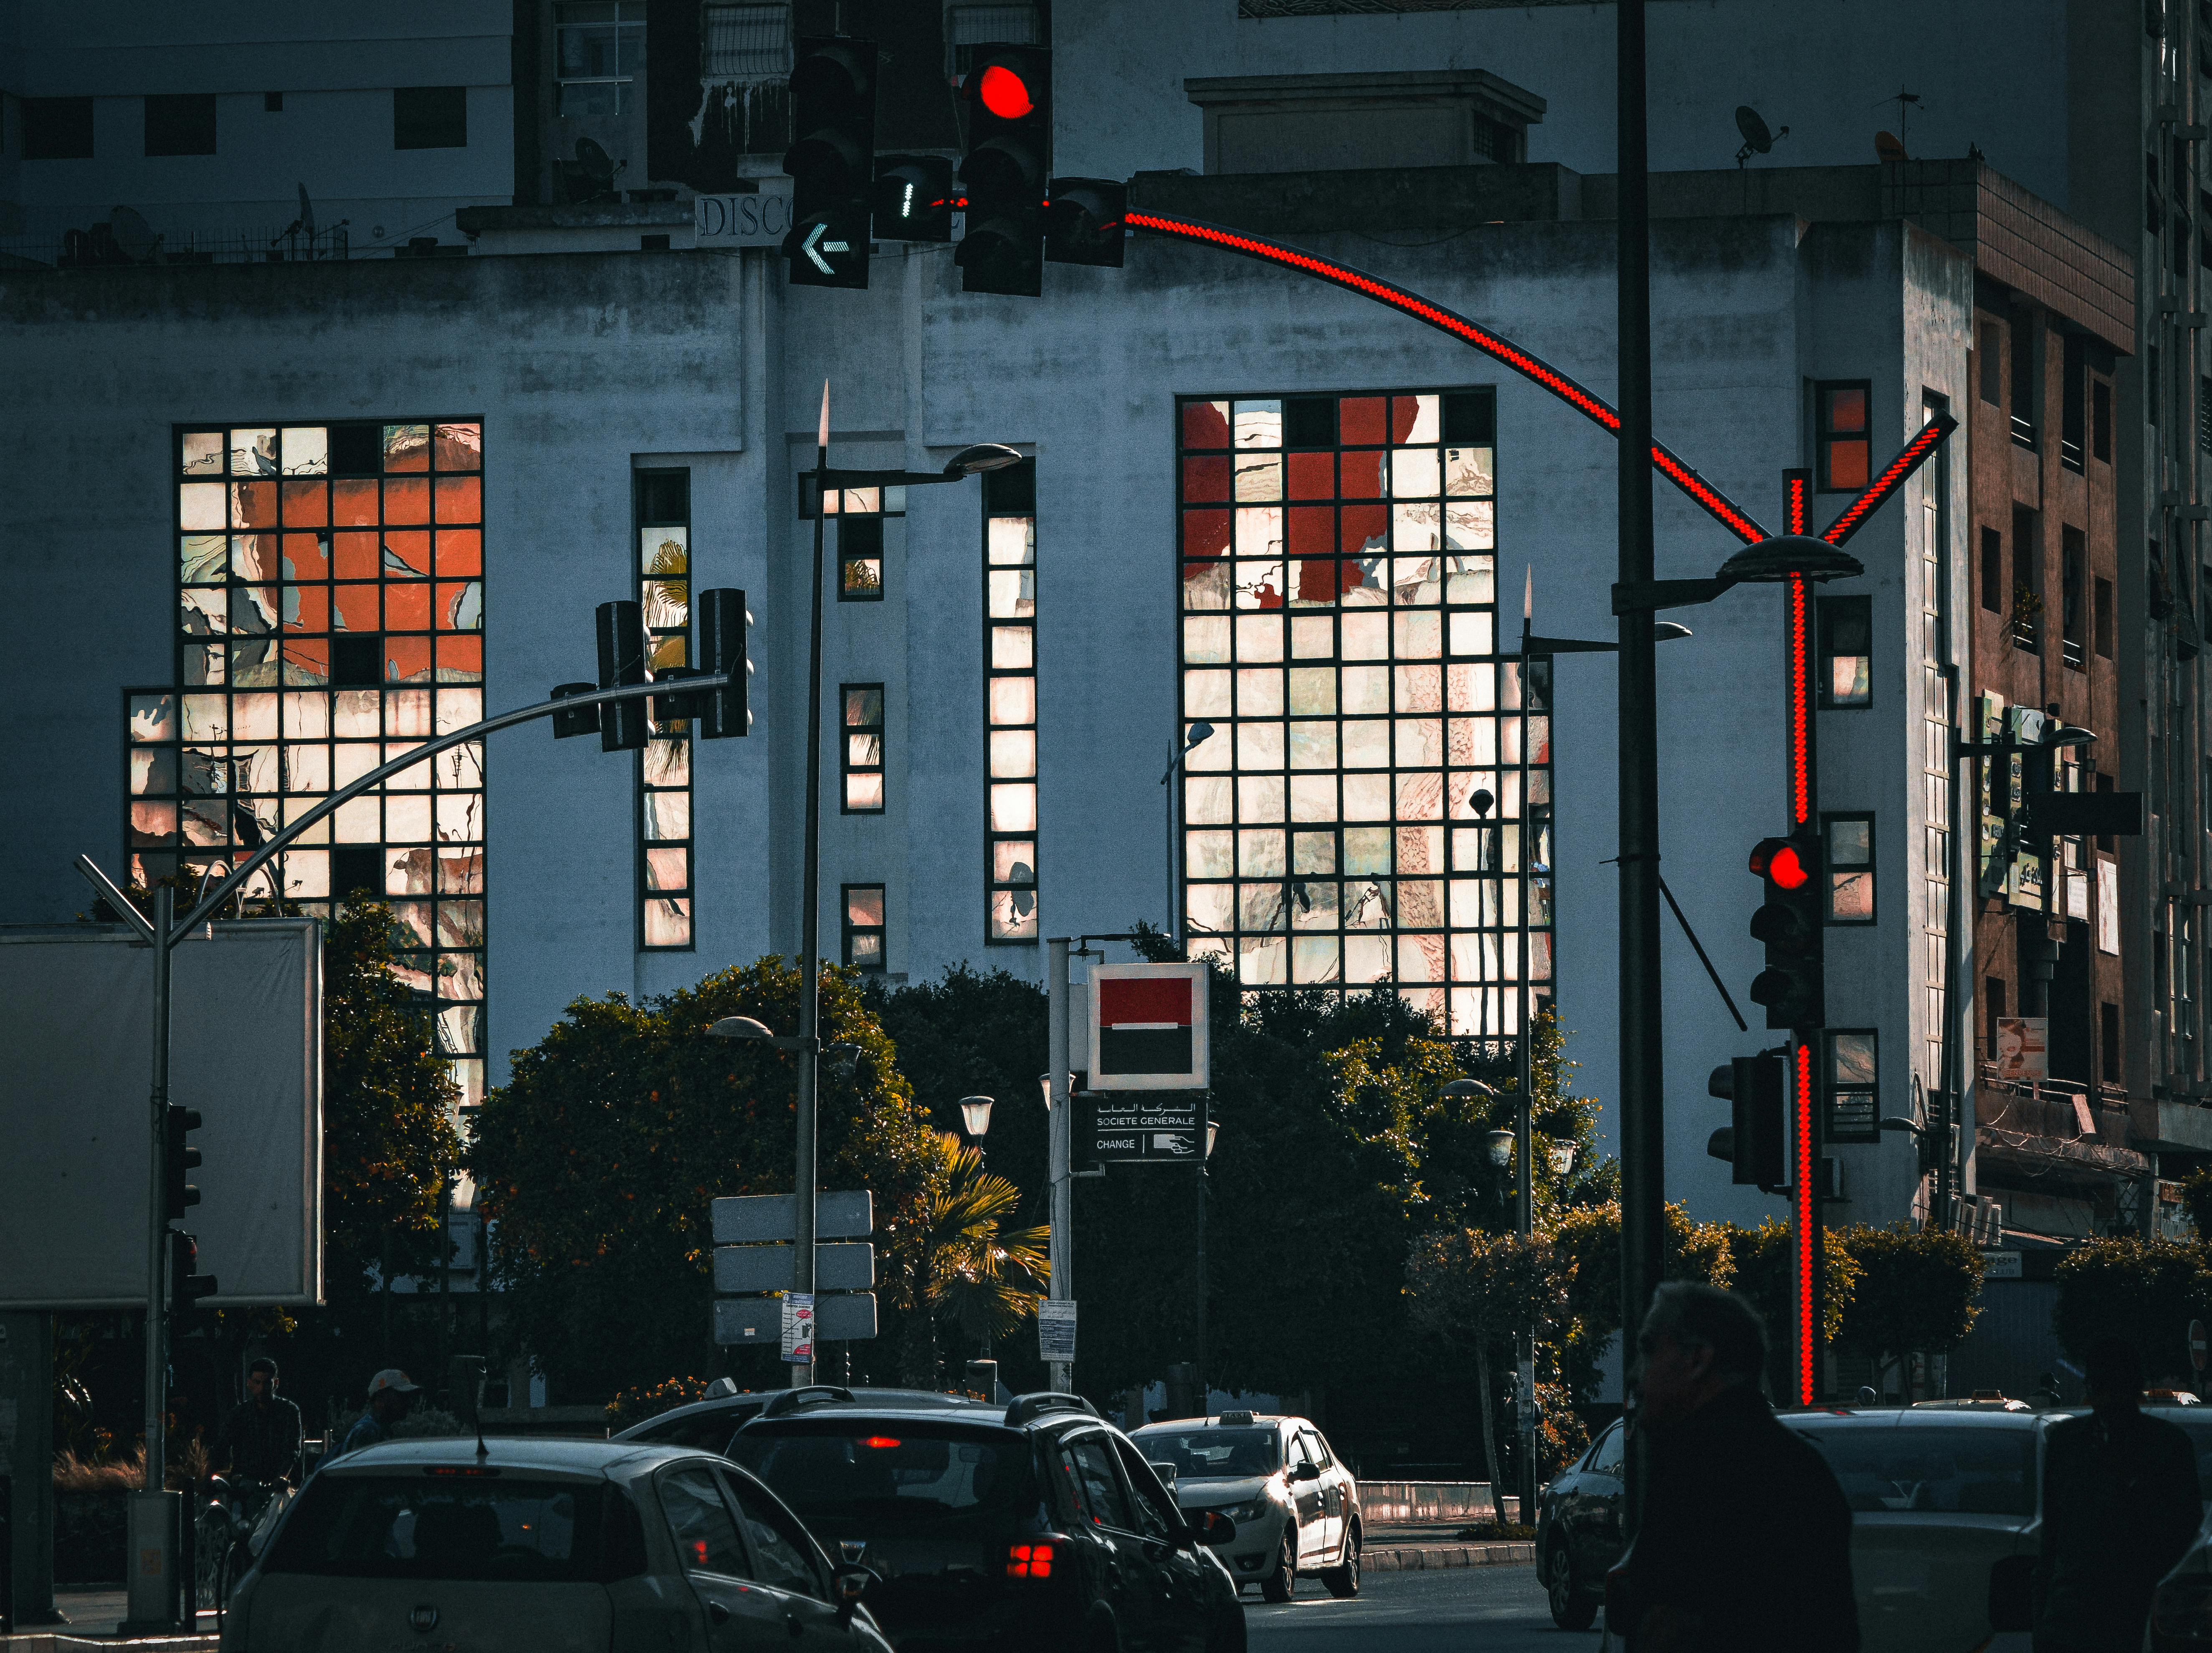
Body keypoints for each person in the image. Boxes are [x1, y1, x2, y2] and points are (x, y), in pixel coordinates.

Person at [1615, 1282, 1858, 1653]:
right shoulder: (1804, 1466)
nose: (1635, 1374)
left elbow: (1669, 1624)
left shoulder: (1697, 1468)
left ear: (1698, 1359)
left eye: (1649, 1350)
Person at [2035, 1337, 2201, 1653]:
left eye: (2109, 1386)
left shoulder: (2068, 1442)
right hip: (2091, 1609)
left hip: (2112, 1606)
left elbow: (2053, 1535)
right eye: (2101, 1386)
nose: (2106, 1397)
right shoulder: (2169, 1444)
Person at [211, 1357, 304, 1487]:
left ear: (276, 1383)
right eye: (257, 1382)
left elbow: (292, 1449)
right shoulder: (240, 1413)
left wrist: (282, 1476)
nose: (262, 1388)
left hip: (278, 1483)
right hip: (246, 1481)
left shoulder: (289, 1411)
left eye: (267, 1383)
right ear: (249, 1383)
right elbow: (221, 1446)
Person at [333, 1369, 420, 1459]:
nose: (409, 1403)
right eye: (402, 1397)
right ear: (380, 1399)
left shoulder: (380, 1429)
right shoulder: (368, 1431)